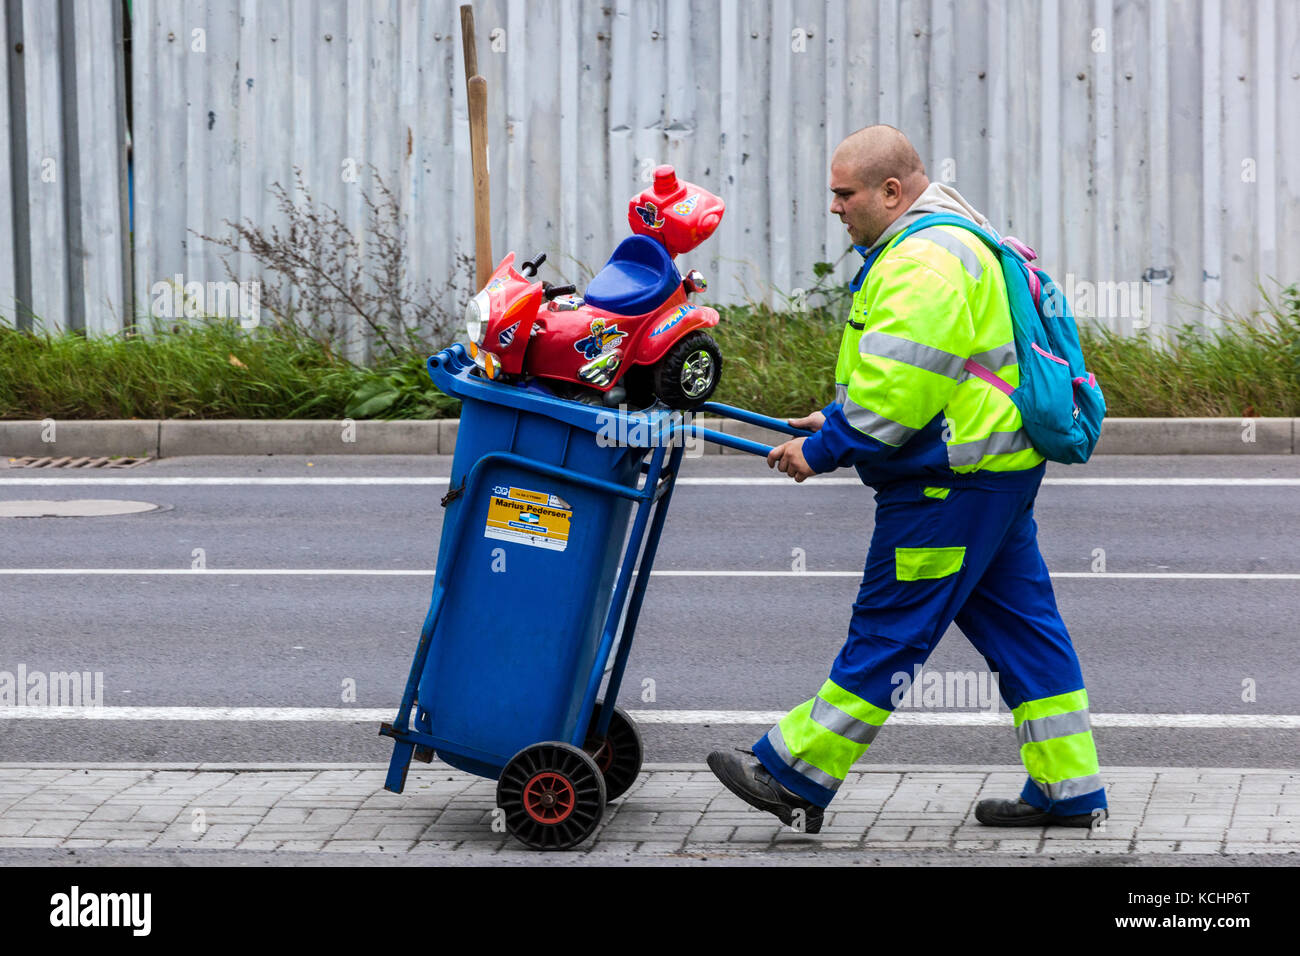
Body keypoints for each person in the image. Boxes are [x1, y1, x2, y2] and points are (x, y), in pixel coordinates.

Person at [707, 125, 1107, 833]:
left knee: (890, 630)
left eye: (845, 193)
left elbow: (899, 391)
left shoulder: (922, 259)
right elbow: (925, 374)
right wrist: (831, 418)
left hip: (948, 486)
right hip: (995, 475)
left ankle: (795, 770)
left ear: (892, 192)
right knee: (1025, 633)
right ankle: (1068, 787)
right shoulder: (947, 238)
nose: (835, 207)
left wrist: (826, 447)